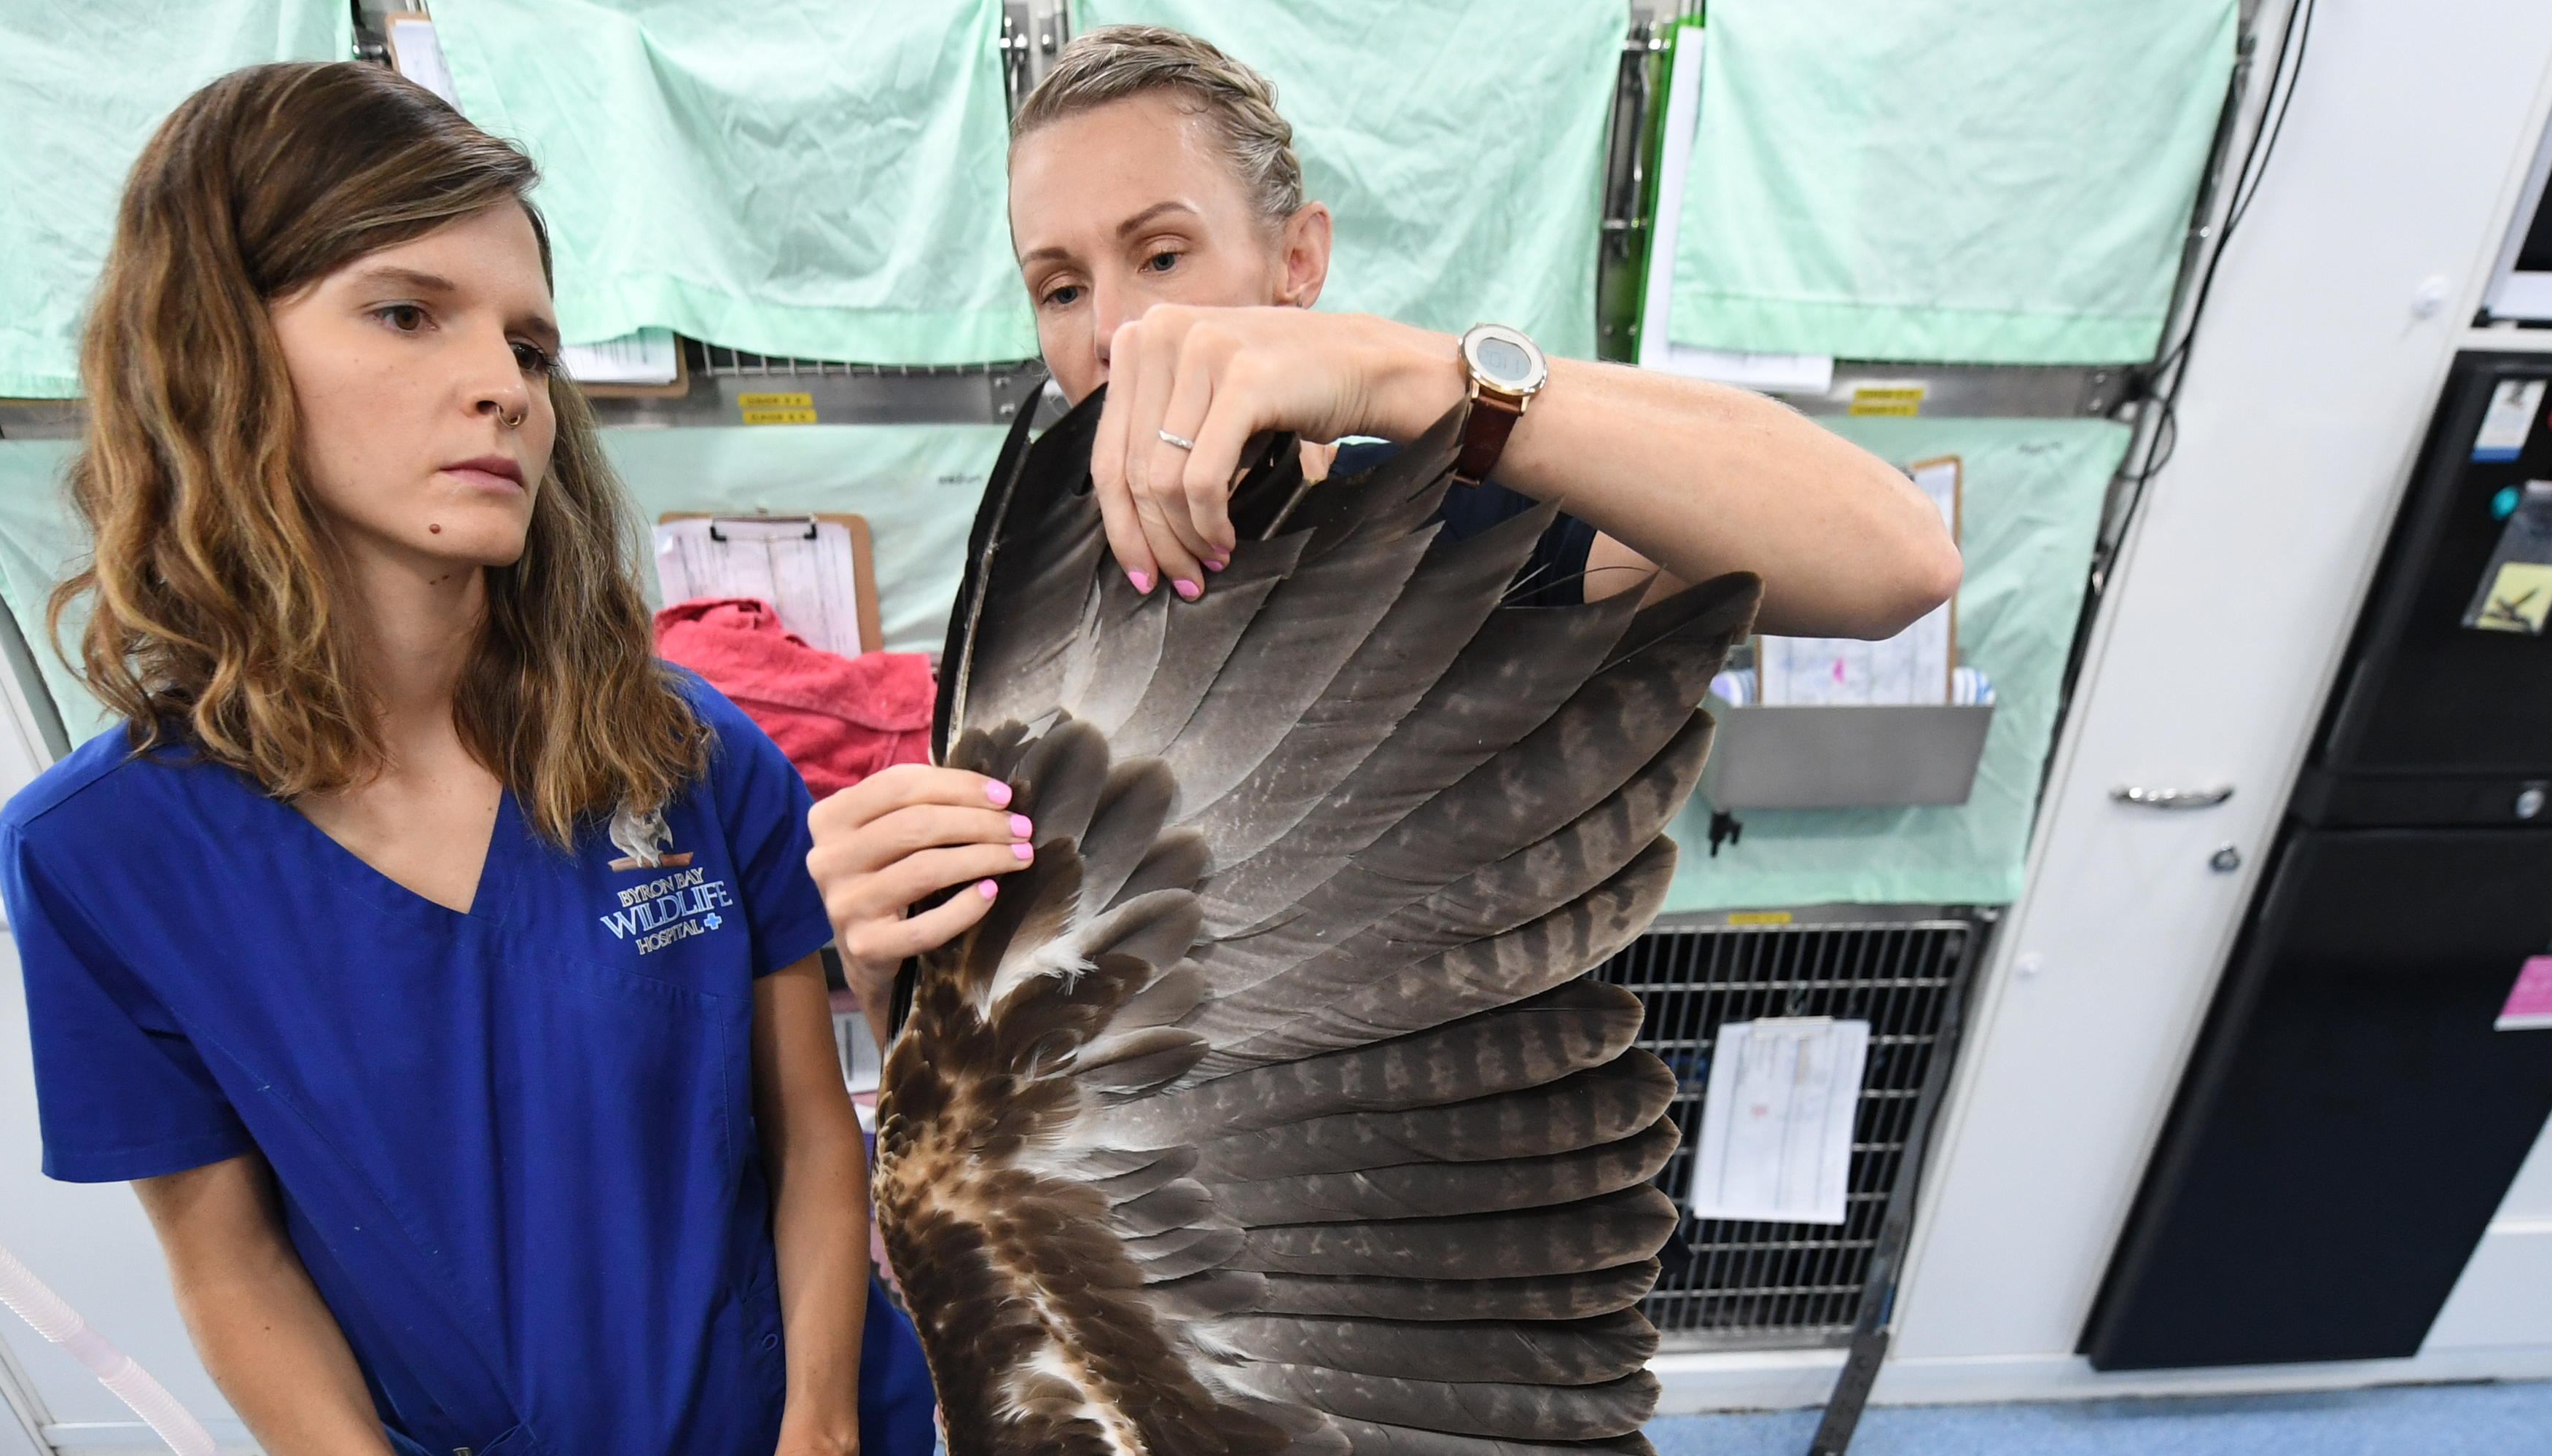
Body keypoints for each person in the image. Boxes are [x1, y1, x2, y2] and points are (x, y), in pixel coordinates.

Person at [0, 64, 933, 1456]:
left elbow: (814, 1131)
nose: (498, 387)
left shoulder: (687, 758)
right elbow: (228, 1257)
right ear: (216, 349)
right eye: (408, 312)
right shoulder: (105, 854)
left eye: (527, 343)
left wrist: (821, 1444)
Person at [810, 21, 1962, 1024]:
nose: (1113, 331)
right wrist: (888, 966)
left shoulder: (1458, 534)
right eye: (1060, 288)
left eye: (1163, 254)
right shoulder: (1034, 624)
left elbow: (1893, 561)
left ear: (1297, 260)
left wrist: (1406, 373)